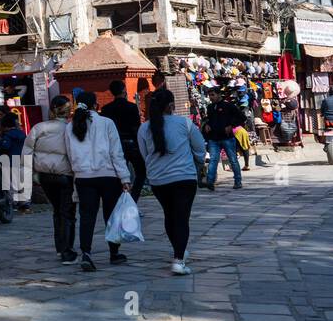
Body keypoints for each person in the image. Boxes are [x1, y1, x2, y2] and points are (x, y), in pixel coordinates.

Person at [139, 88, 205, 275]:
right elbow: (199, 148)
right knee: (182, 218)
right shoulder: (185, 122)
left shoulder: (144, 128)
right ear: (171, 105)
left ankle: (179, 251)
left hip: (159, 180)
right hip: (184, 177)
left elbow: (145, 155)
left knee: (170, 215)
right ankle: (178, 260)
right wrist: (199, 163)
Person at [64, 91, 131, 273]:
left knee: (87, 217)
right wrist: (124, 177)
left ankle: (86, 253)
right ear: (96, 105)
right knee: (111, 216)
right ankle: (114, 253)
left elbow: (70, 155)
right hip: (108, 176)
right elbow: (116, 153)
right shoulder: (106, 123)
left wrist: (77, 173)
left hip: (83, 177)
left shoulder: (70, 127)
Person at [24, 95, 77, 263]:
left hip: (45, 177)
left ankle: (60, 248)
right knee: (67, 213)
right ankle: (67, 251)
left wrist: (31, 174)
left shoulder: (39, 128)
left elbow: (26, 152)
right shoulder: (70, 129)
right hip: (65, 176)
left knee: (57, 211)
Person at [101, 80, 146, 204]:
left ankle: (120, 200)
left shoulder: (106, 109)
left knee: (118, 174)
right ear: (124, 90)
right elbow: (136, 128)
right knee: (141, 172)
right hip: (131, 143)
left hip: (114, 144)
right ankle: (133, 199)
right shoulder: (131, 107)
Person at [202, 85, 244, 190]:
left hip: (227, 138)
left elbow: (242, 117)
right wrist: (207, 124)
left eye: (213, 95)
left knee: (233, 159)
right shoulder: (210, 107)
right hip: (214, 138)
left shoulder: (229, 106)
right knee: (213, 160)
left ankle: (238, 181)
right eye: (209, 95)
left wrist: (232, 125)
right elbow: (208, 119)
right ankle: (210, 182)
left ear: (219, 95)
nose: (210, 97)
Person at [0, 109, 30, 210]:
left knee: (11, 184)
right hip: (22, 160)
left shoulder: (7, 135)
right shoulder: (22, 133)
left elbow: (6, 146)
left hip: (10, 161)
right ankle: (25, 201)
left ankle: (13, 202)